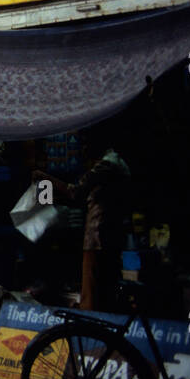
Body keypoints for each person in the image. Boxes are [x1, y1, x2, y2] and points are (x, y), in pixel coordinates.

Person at [34, 130, 131, 311]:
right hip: (108, 237)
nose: (83, 150)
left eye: (86, 144)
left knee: (92, 295)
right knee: (103, 292)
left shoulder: (107, 165)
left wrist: (45, 178)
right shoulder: (115, 164)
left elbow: (75, 191)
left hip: (98, 238)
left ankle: (89, 330)